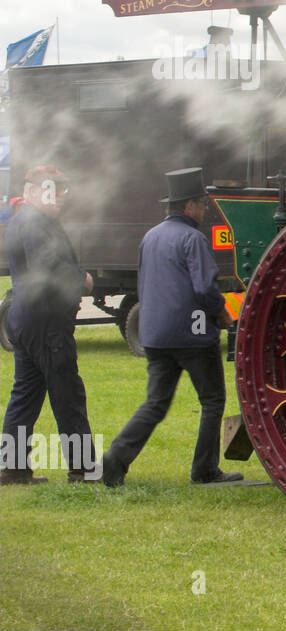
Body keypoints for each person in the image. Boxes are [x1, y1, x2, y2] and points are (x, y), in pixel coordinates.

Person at [102, 168, 242, 487]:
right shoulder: (193, 238)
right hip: (192, 336)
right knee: (212, 401)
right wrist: (222, 315)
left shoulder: (150, 237)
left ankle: (117, 457)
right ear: (188, 206)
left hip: (155, 336)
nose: (205, 210)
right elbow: (205, 288)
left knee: (155, 403)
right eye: (203, 205)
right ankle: (204, 470)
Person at [1, 166, 99, 483]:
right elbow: (49, 266)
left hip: (28, 318)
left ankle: (12, 469)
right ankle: (83, 469)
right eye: (54, 190)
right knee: (67, 392)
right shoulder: (34, 222)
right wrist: (81, 279)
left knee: (25, 394)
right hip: (45, 322)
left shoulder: (23, 219)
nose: (58, 198)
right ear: (34, 190)